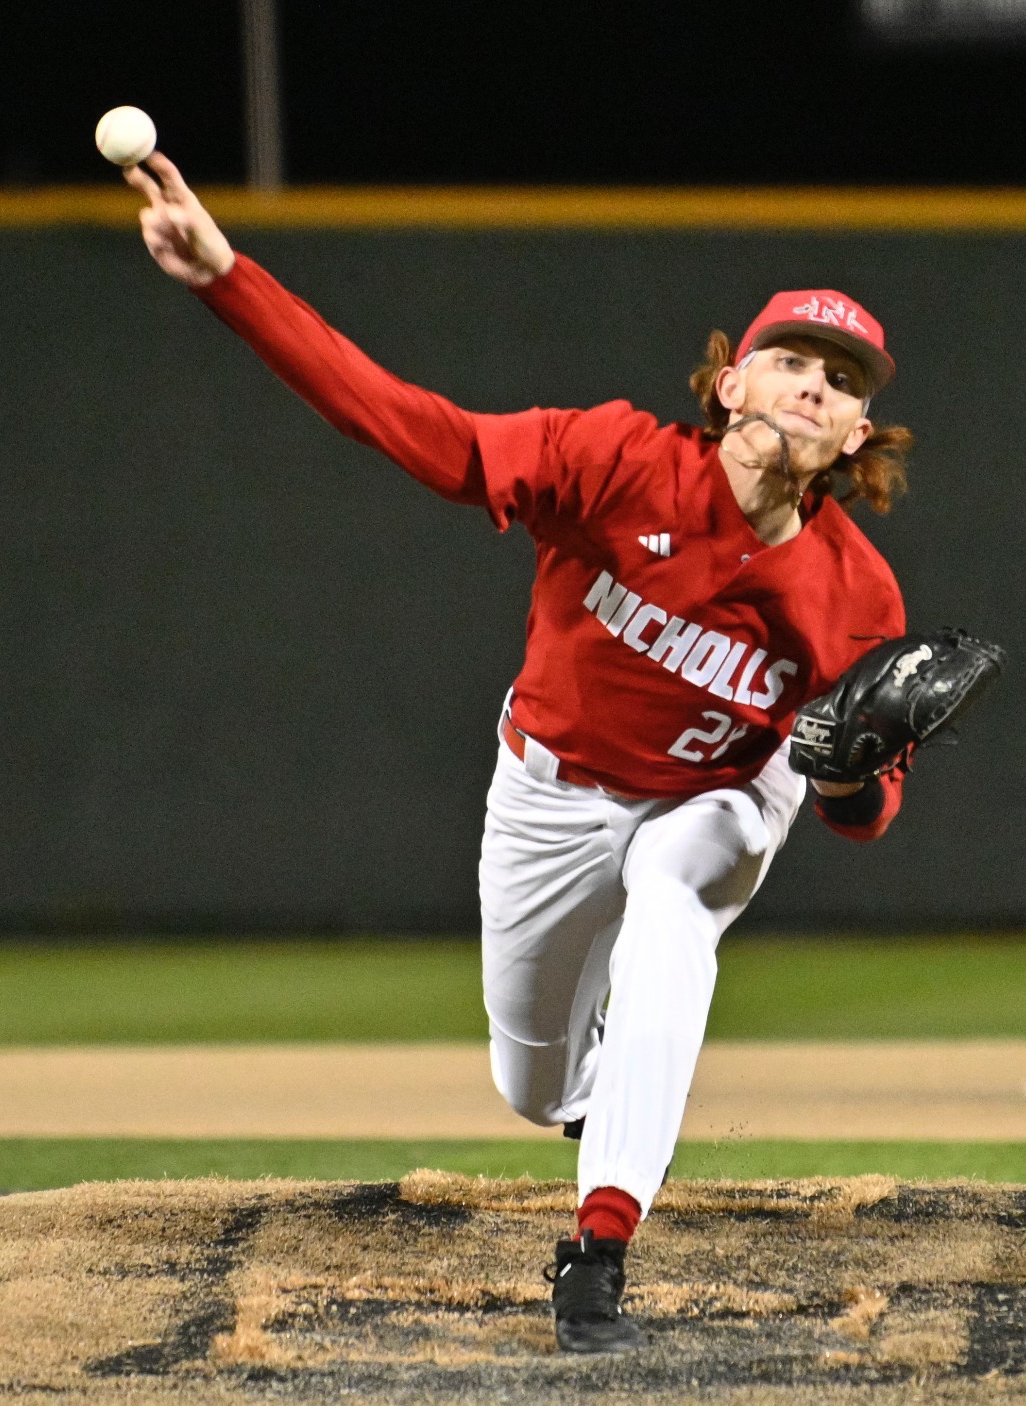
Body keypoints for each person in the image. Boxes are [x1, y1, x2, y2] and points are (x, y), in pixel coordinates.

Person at [123, 154, 913, 1353]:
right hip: (551, 789)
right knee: (531, 1084)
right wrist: (227, 277)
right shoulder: (614, 460)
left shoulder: (857, 592)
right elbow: (409, 426)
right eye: (793, 359)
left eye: (842, 380)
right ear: (732, 380)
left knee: (671, 904)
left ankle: (598, 1248)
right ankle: (594, 1105)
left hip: (720, 796)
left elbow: (866, 808)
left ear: (857, 432)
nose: (814, 385)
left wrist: (849, 775)